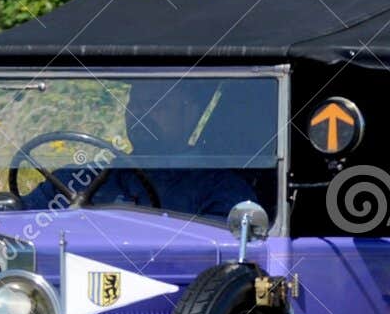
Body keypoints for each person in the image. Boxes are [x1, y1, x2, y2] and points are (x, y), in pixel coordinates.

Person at [21, 79, 259, 218]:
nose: (141, 113)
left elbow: (221, 252)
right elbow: (15, 218)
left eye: (157, 105)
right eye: (135, 103)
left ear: (189, 113)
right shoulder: (77, 179)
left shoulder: (219, 187)